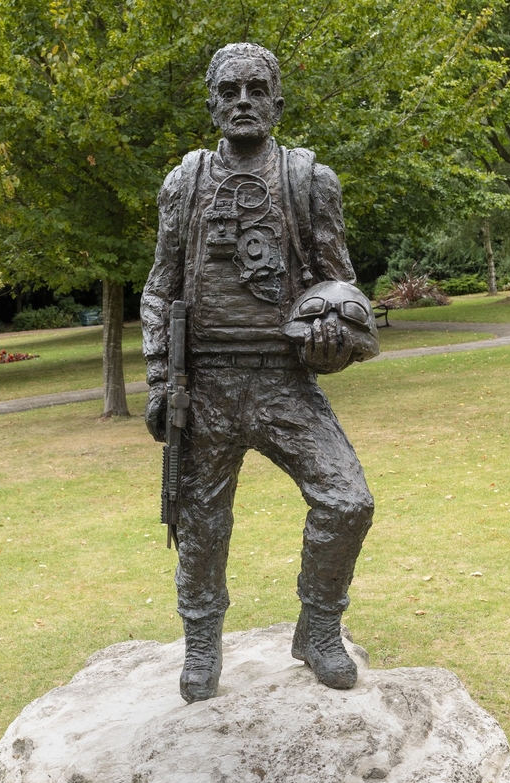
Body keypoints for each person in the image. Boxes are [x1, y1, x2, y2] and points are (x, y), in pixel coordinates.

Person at [141, 41, 375, 703]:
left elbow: (339, 284)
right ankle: (201, 644)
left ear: (277, 102)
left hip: (284, 383)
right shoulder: (184, 183)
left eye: (255, 90)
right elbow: (159, 288)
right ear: (212, 103)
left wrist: (334, 332)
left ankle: (319, 628)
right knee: (200, 523)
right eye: (229, 91)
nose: (242, 101)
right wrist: (160, 377)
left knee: (348, 501)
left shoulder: (309, 181)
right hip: (206, 385)